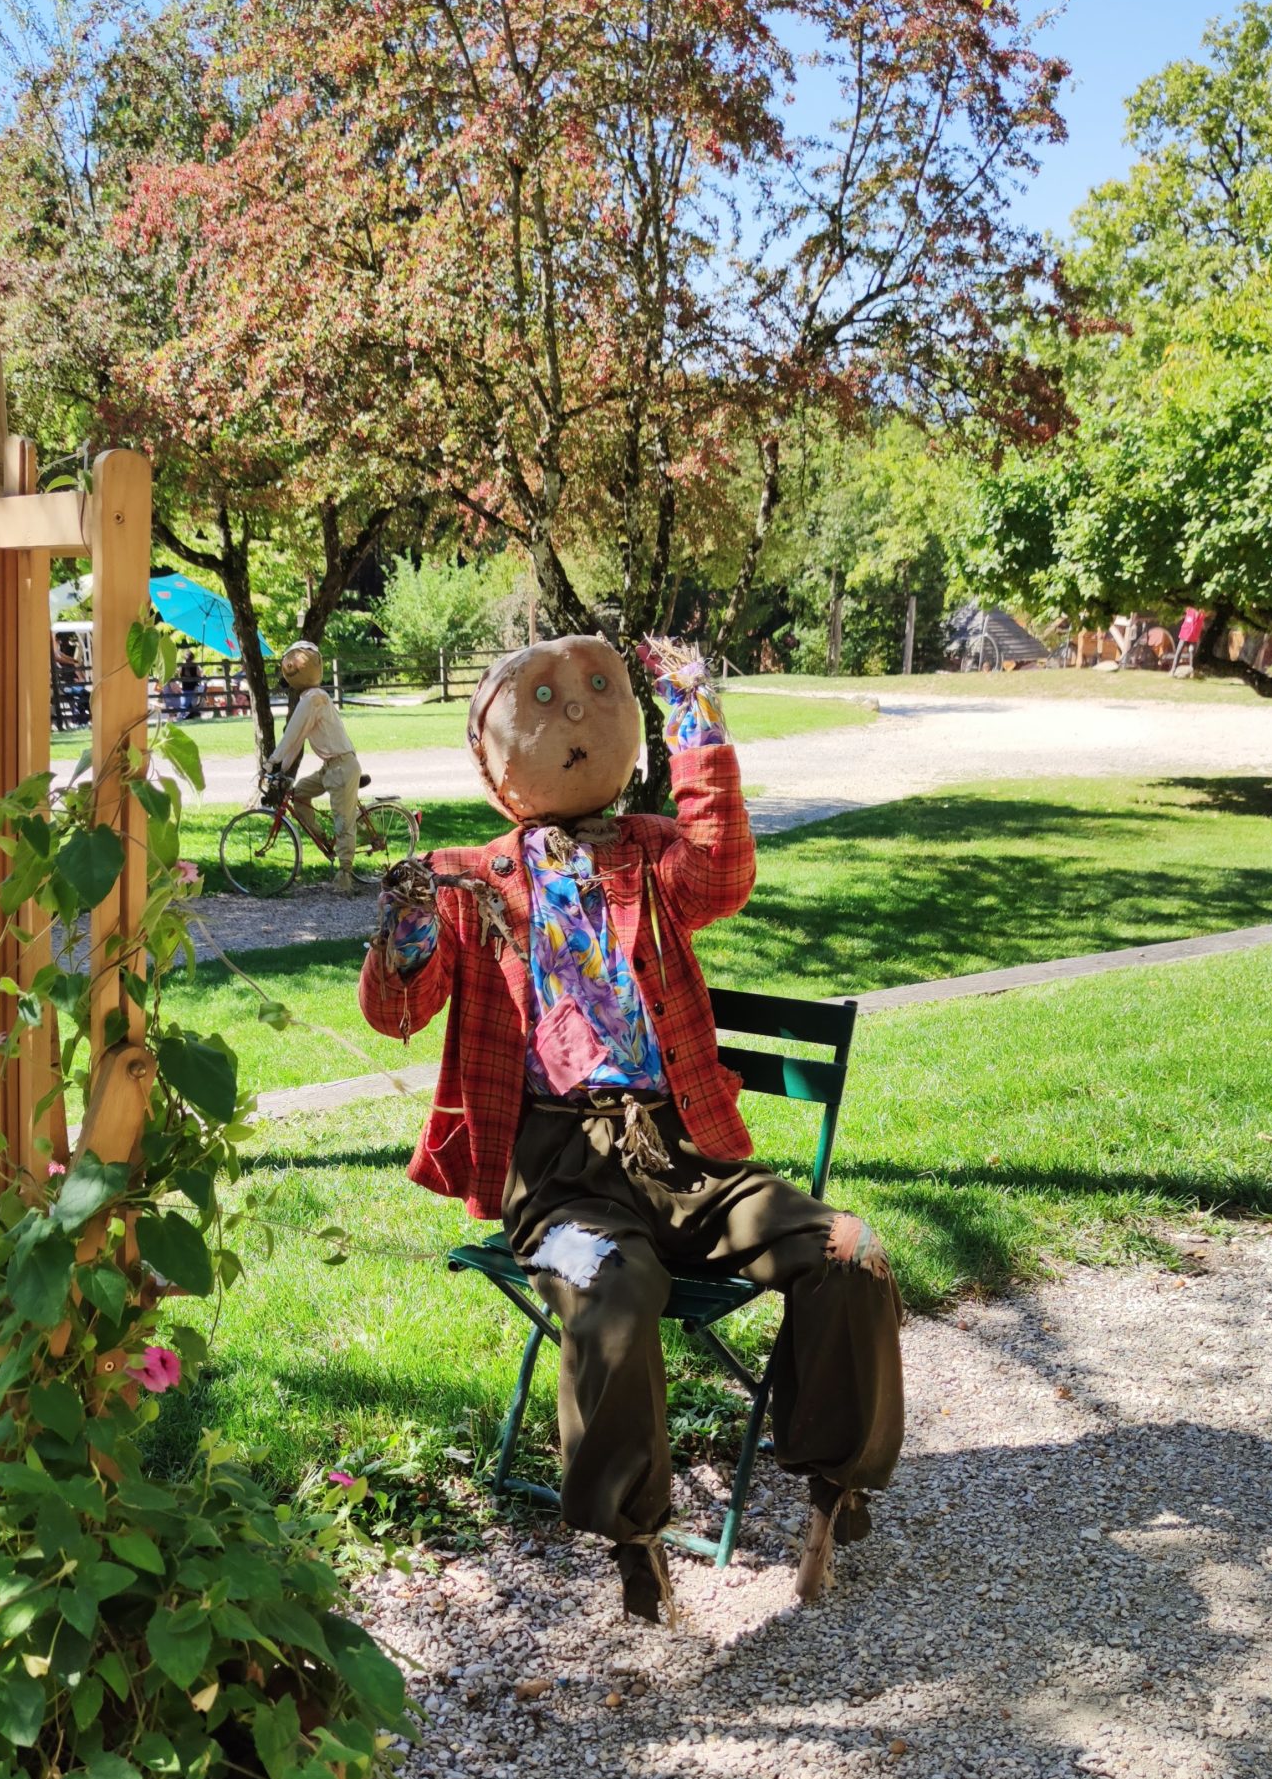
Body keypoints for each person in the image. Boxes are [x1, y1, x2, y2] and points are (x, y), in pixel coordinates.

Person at [357, 636, 904, 1625]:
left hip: (685, 1158)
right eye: (544, 705)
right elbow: (398, 1008)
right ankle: (634, 1534)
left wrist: (694, 714)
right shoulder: (465, 878)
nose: (572, 721)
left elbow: (724, 872)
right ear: (493, 754)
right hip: (557, 1176)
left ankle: (835, 1481)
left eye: (594, 697)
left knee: (848, 1251)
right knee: (610, 1287)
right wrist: (407, 924)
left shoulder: (653, 855)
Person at [266, 639, 364, 893]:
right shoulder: (309, 698)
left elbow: (290, 736)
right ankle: (324, 839)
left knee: (343, 821)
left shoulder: (314, 699)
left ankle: (345, 875)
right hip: (331, 767)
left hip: (341, 767)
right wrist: (283, 769)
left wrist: (273, 761)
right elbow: (297, 739)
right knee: (299, 795)